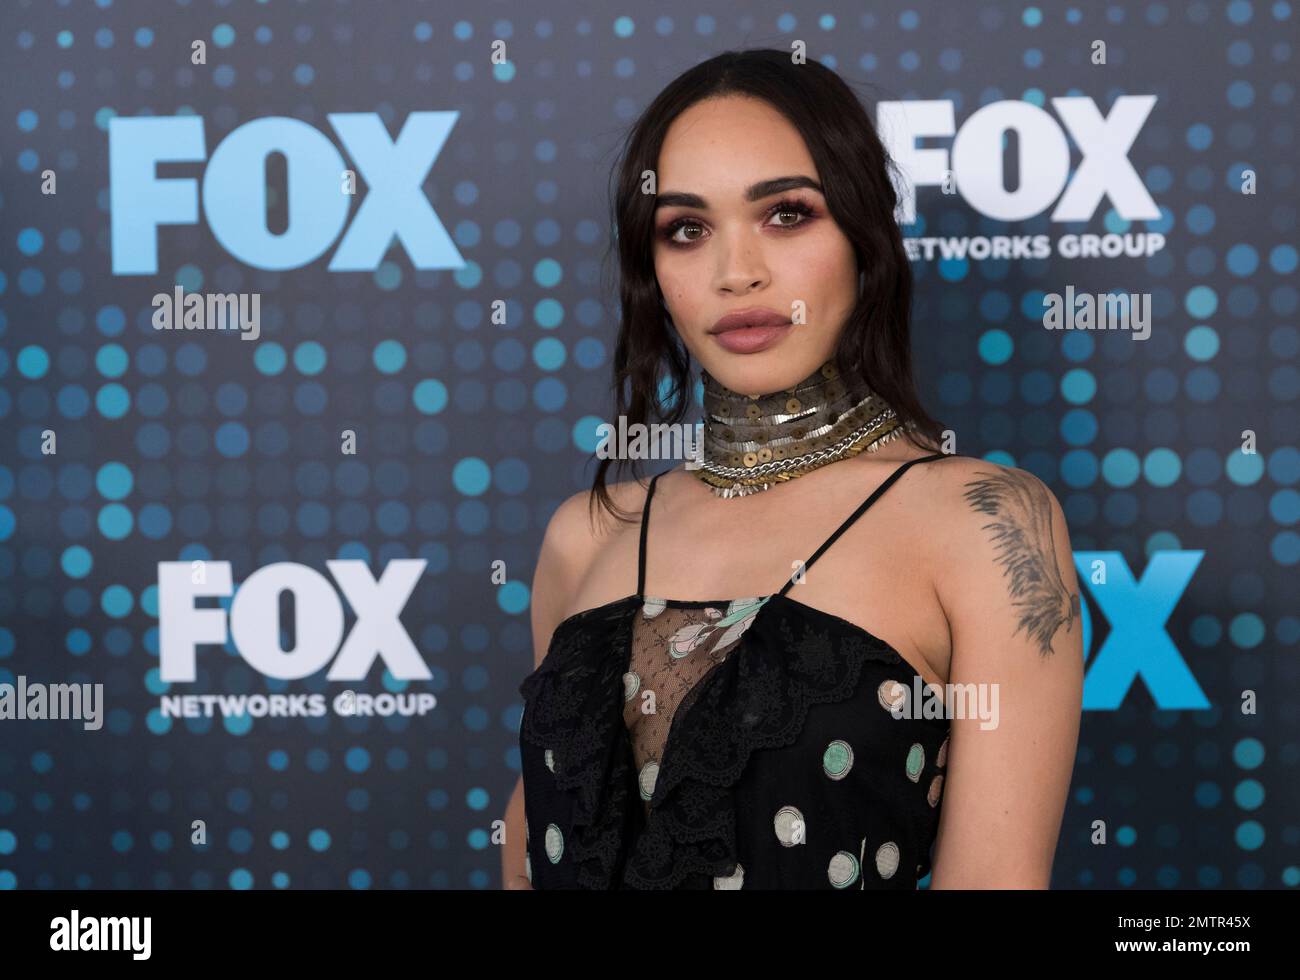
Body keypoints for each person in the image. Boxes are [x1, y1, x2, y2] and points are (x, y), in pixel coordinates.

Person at [502, 49, 1082, 889]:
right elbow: (528, 853)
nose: (737, 273)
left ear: (863, 234)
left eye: (786, 214)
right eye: (687, 229)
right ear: (652, 270)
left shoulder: (983, 524)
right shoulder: (586, 534)